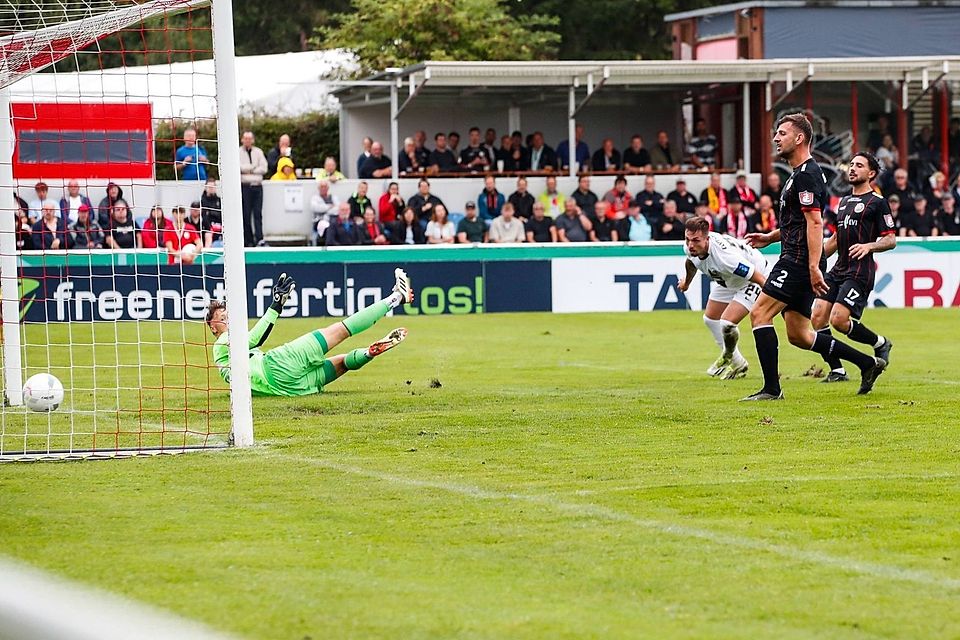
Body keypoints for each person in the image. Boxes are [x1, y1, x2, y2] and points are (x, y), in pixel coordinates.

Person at [744, 114, 886, 401]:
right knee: (799, 335)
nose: (775, 138)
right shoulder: (799, 174)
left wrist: (812, 266)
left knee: (759, 314)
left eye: (781, 133)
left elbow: (815, 223)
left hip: (797, 260)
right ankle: (867, 363)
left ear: (799, 138)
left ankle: (772, 389)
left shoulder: (807, 174)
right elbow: (797, 222)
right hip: (797, 257)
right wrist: (770, 237)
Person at [206, 270, 412, 398]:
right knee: (341, 329)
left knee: (342, 362)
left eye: (228, 316)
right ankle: (395, 298)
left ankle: (368, 353)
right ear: (212, 328)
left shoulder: (226, 360)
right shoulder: (223, 342)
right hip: (279, 364)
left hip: (290, 390)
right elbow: (254, 339)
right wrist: (276, 304)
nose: (227, 320)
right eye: (221, 318)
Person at [811, 152, 897, 384]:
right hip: (838, 269)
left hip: (860, 271)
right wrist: (815, 263)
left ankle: (880, 343)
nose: (852, 169)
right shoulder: (844, 202)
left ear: (871, 174)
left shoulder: (878, 203)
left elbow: (891, 240)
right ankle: (837, 370)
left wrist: (869, 246)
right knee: (818, 318)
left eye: (858, 165)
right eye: (851, 165)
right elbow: (836, 238)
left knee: (838, 320)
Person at [679, 216, 770, 379]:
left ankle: (728, 356)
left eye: (695, 240)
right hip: (729, 280)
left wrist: (775, 296)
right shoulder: (690, 247)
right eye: (687, 239)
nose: (690, 245)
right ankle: (737, 362)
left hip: (754, 277)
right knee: (710, 319)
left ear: (707, 239)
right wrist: (686, 283)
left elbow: (758, 277)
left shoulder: (726, 258)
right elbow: (691, 262)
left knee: (727, 323)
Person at [239, 131, 267, 247]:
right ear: (242, 140)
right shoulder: (237, 152)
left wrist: (248, 170)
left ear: (253, 140)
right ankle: (248, 240)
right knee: (246, 214)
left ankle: (259, 239)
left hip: (257, 187)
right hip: (245, 187)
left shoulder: (258, 152)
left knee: (257, 214)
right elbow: (238, 168)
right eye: (245, 138)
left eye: (250, 139)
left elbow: (264, 168)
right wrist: (253, 167)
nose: (248, 141)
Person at [311, 180, 340, 245]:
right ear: (318, 188)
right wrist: (329, 206)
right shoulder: (315, 198)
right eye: (322, 187)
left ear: (328, 188)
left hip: (332, 221)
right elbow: (315, 208)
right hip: (318, 222)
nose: (323, 188)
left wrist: (325, 212)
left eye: (325, 187)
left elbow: (338, 209)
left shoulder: (333, 197)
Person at [200, 179, 224, 248]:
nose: (211, 189)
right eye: (209, 187)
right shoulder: (202, 201)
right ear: (205, 187)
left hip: (220, 227)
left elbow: (221, 215)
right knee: (208, 234)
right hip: (208, 228)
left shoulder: (220, 200)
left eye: (213, 187)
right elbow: (204, 216)